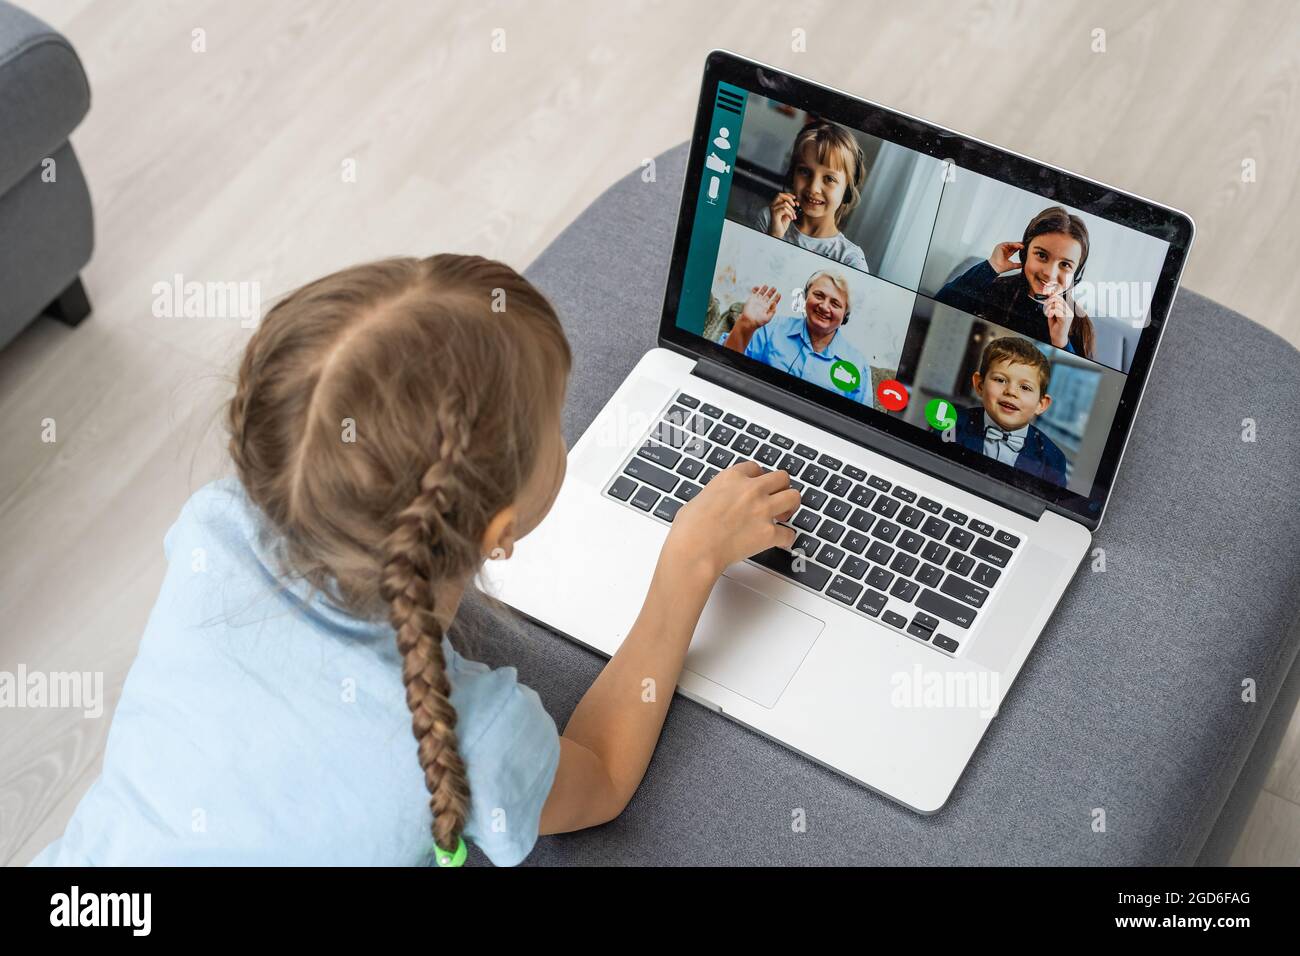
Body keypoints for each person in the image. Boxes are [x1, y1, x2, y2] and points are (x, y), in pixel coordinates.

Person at [30, 255, 800, 866]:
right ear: (499, 531)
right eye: (556, 424)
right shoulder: (476, 742)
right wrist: (686, 569)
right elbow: (599, 778)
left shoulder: (215, 526)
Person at [935, 206, 1096, 360]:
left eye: (1065, 265)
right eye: (1041, 255)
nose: (1050, 273)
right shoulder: (992, 289)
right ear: (1024, 253)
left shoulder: (1078, 323)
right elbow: (938, 307)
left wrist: (1062, 344)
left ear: (1076, 273)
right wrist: (990, 267)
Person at [719, 270, 871, 404]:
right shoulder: (769, 328)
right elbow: (724, 366)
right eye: (818, 295)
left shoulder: (858, 365)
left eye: (835, 304)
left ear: (845, 316)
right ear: (805, 297)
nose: (824, 306)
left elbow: (863, 424)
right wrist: (745, 324)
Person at [941, 335, 1069, 486]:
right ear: (980, 385)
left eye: (1025, 387)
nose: (1011, 392)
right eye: (1000, 380)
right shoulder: (950, 424)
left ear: (1041, 404)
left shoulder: (1053, 459)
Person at [754, 119, 869, 271]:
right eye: (805, 172)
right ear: (791, 174)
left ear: (847, 191)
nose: (813, 188)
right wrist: (773, 238)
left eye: (829, 179)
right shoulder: (769, 220)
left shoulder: (850, 259)